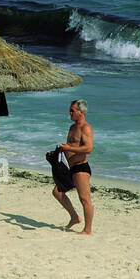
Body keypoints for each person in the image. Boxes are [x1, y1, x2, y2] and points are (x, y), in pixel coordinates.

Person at [51, 99, 94, 234]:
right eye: (69, 110)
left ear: (81, 112)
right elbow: (73, 146)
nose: (69, 113)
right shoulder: (72, 127)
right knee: (57, 192)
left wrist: (69, 147)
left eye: (72, 110)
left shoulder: (85, 128)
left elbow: (88, 148)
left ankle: (87, 230)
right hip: (70, 167)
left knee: (84, 199)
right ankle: (75, 217)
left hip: (81, 167)